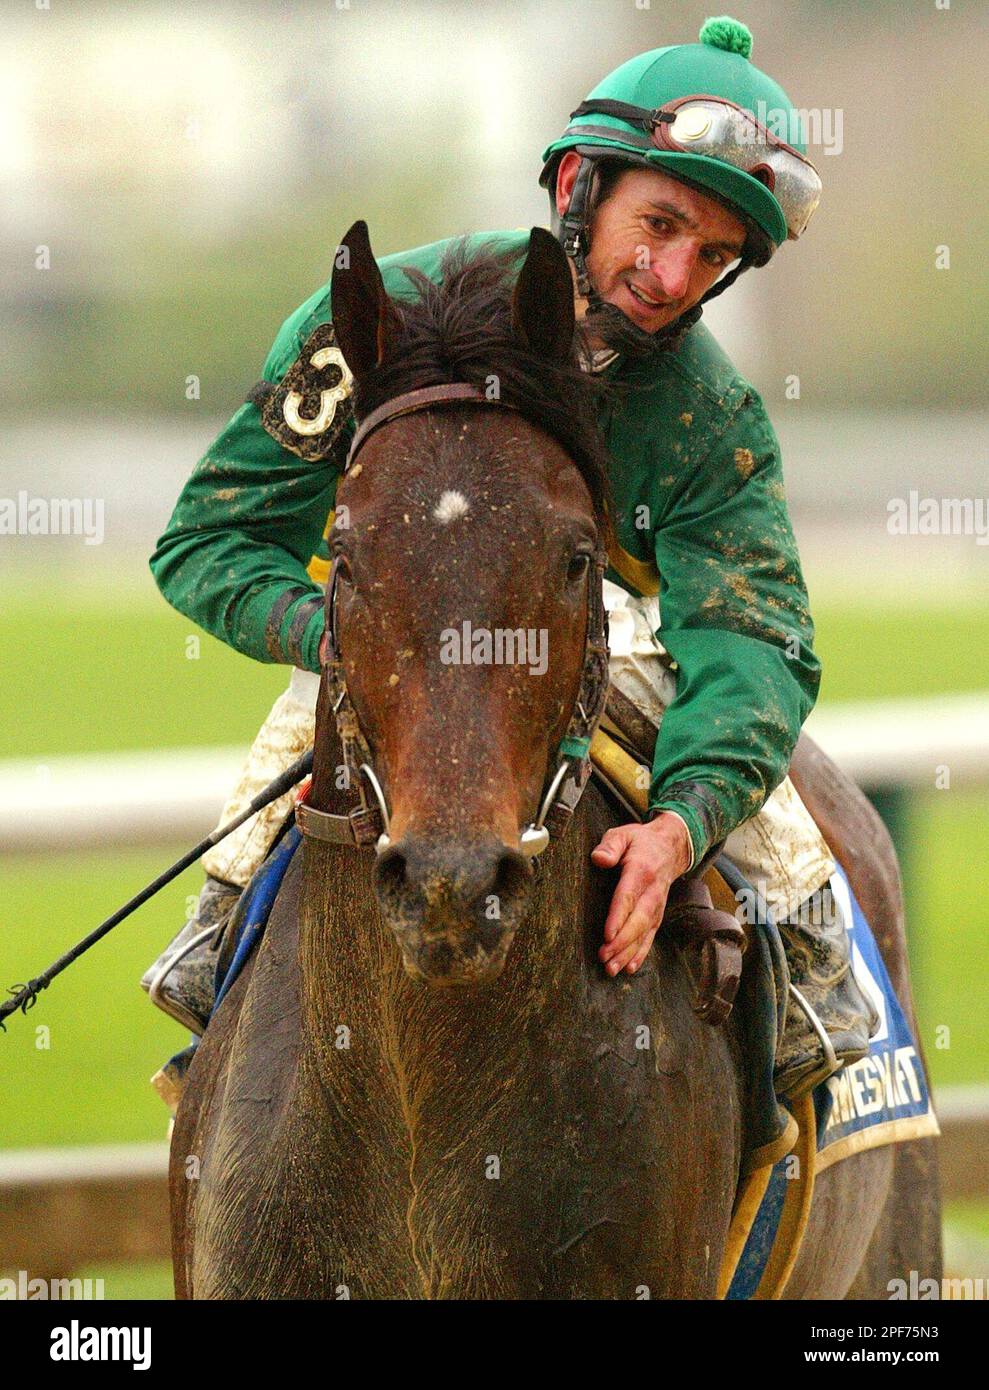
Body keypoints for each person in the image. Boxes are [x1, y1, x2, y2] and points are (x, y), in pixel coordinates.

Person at [143, 16, 877, 1100]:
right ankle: (215, 969)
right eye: (658, 223)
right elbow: (210, 539)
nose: (672, 278)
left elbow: (750, 637)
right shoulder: (375, 322)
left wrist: (681, 825)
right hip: (391, 633)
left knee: (782, 854)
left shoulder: (706, 412)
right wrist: (339, 629)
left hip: (610, 643)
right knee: (298, 750)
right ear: (580, 185)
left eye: (712, 255)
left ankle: (821, 1016)